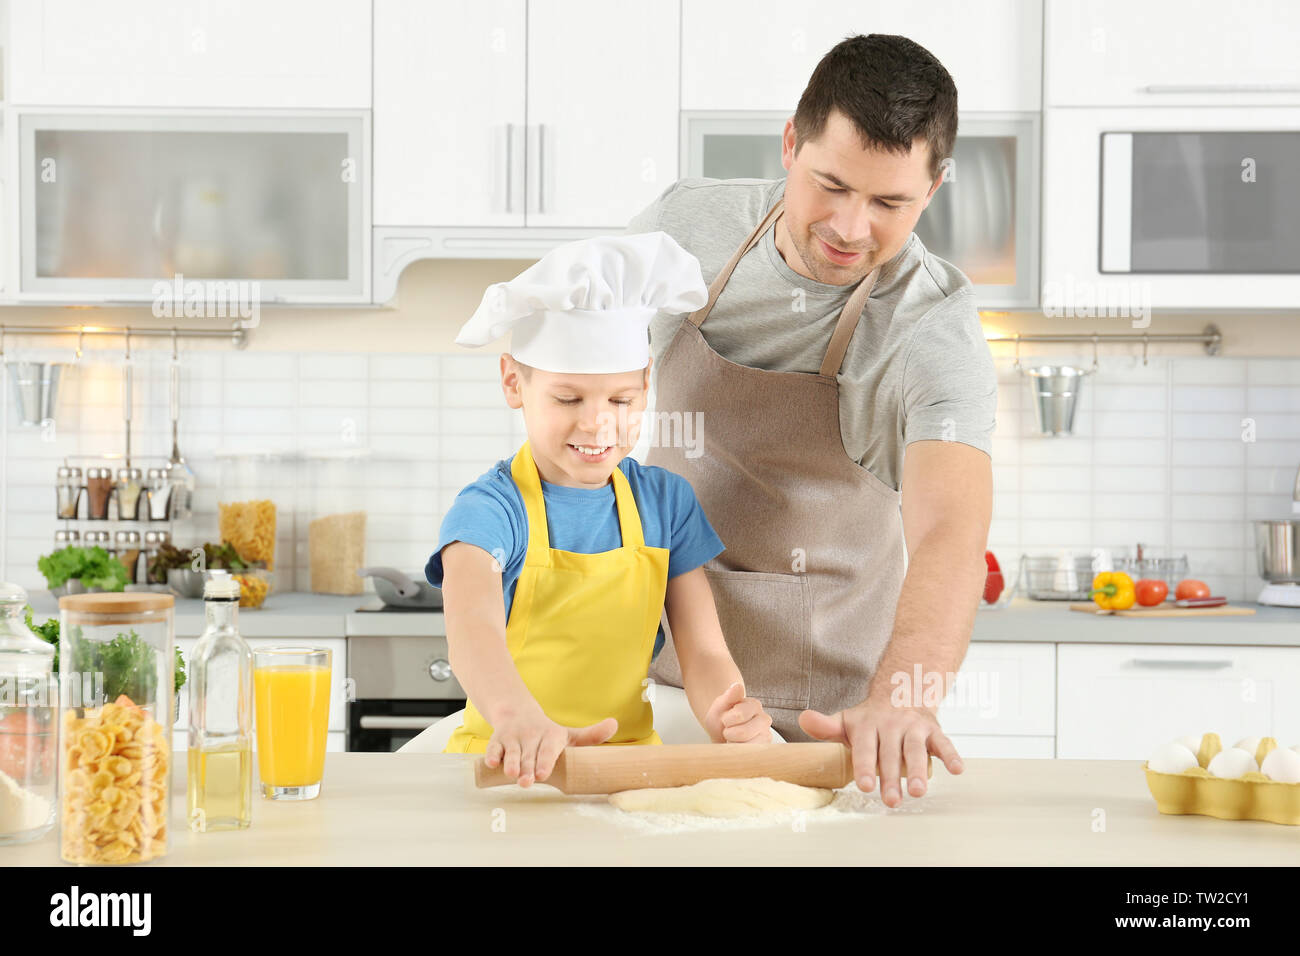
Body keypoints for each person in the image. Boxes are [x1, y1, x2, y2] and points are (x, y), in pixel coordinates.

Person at [625, 34, 996, 807]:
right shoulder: (685, 225)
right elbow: (586, 367)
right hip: (661, 691)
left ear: (935, 187)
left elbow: (949, 532)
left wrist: (904, 696)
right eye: (831, 184)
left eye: (889, 202)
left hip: (826, 726)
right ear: (791, 144)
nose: (851, 228)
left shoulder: (932, 328)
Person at [425, 231, 774, 787]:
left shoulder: (666, 503)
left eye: (620, 400)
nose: (597, 424)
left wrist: (727, 715)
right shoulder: (492, 509)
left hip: (626, 770)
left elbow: (704, 651)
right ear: (514, 382)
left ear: (646, 384)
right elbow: (474, 633)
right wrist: (518, 718)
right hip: (506, 767)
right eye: (568, 399)